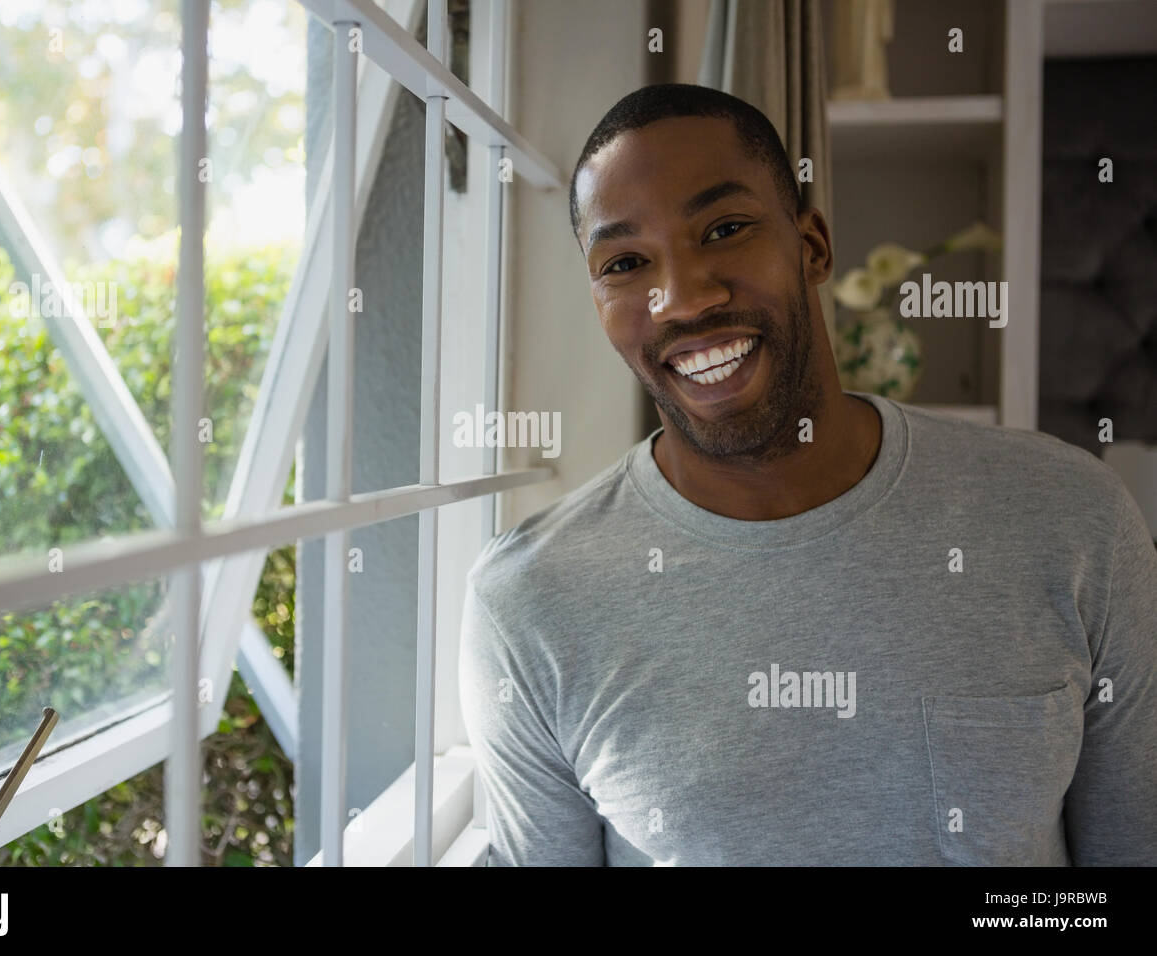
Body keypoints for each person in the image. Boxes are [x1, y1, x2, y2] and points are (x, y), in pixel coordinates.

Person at [457, 83, 1157, 866]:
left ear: (812, 246)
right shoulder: (529, 603)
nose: (682, 298)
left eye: (724, 229)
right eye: (625, 262)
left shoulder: (1071, 520)